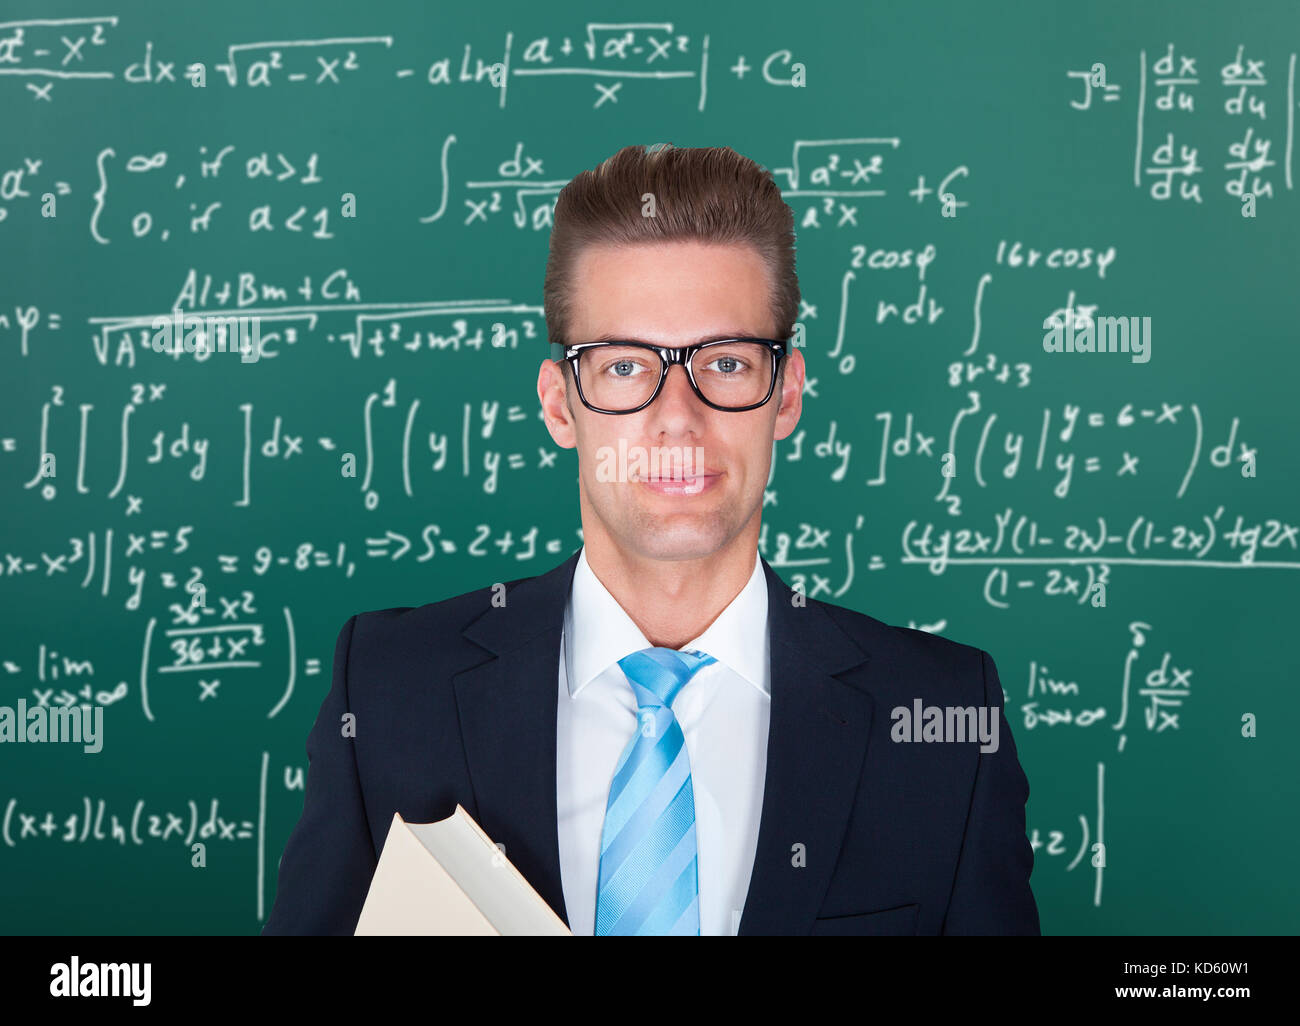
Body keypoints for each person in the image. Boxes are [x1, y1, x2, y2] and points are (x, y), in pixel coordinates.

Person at [262, 143, 1039, 936]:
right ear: (561, 404)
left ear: (787, 396)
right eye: (627, 367)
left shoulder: (942, 721)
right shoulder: (391, 695)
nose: (677, 418)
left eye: (728, 363)